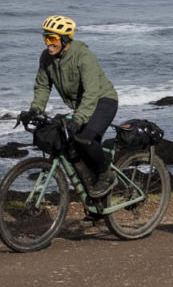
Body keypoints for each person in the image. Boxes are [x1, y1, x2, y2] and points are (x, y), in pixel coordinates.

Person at [21, 15, 121, 197]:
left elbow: (91, 92)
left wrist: (78, 120)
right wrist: (35, 110)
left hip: (103, 101)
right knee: (70, 144)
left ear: (65, 39)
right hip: (83, 105)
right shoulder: (46, 58)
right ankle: (95, 200)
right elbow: (43, 86)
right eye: (45, 38)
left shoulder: (84, 57)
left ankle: (106, 175)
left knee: (85, 139)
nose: (48, 44)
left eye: (52, 39)